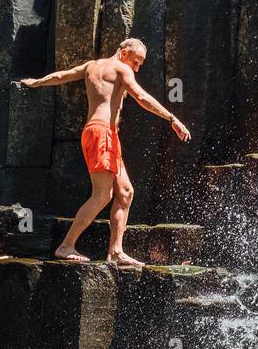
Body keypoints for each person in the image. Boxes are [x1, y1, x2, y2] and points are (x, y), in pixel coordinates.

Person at [20, 39, 191, 267]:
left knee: (126, 192)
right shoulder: (121, 68)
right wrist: (172, 118)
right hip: (103, 134)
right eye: (136, 62)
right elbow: (141, 97)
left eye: (140, 65)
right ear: (123, 52)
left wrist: (36, 82)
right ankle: (66, 245)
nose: (137, 68)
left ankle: (116, 251)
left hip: (100, 133)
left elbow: (62, 76)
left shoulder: (91, 66)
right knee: (102, 195)